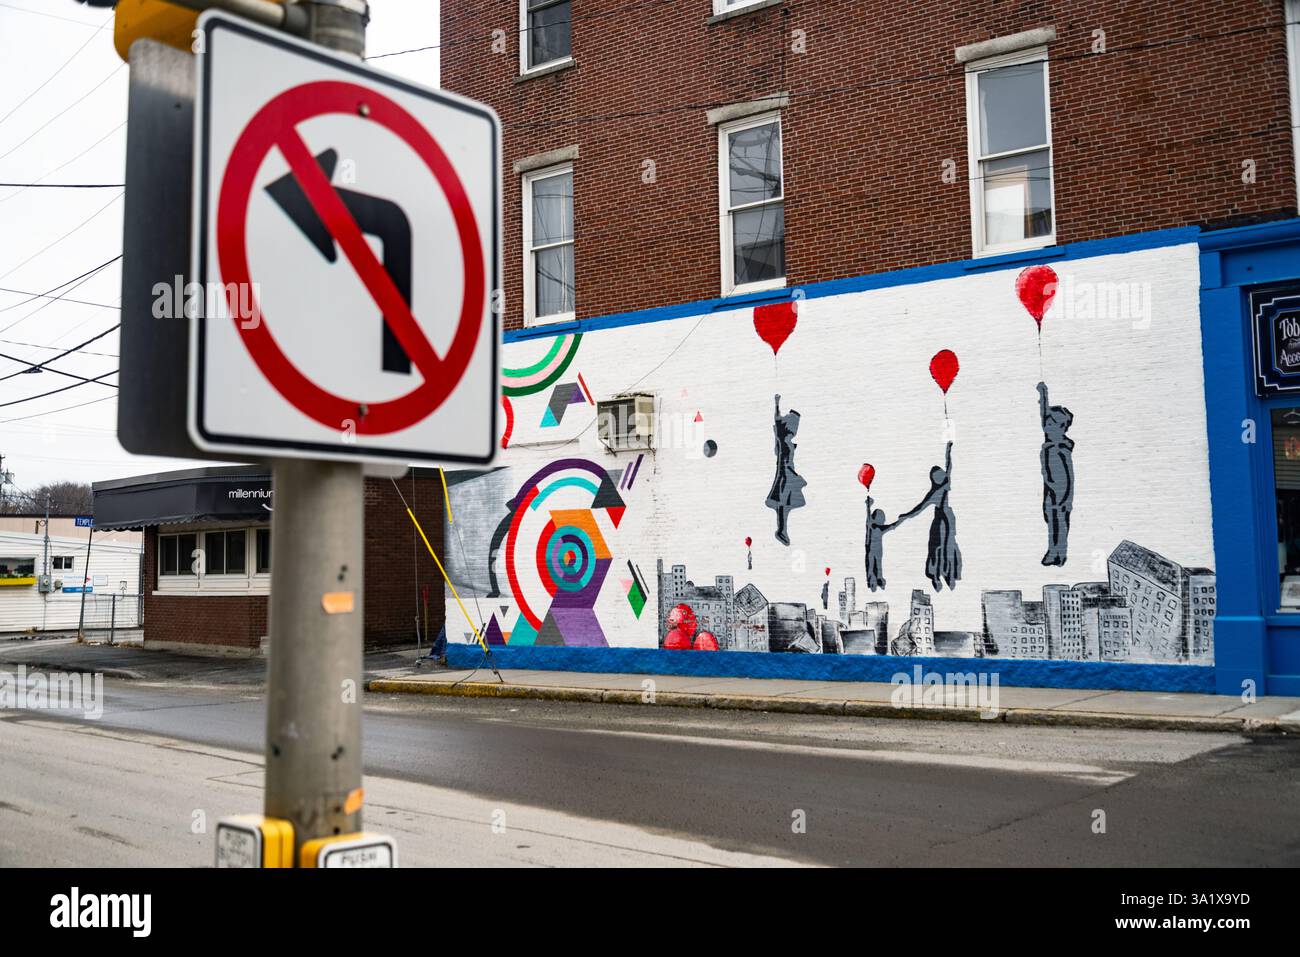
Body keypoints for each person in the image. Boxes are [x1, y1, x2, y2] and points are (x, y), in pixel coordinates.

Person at [894, 442, 962, 591]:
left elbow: (949, 465)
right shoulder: (939, 490)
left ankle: (942, 575)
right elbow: (919, 508)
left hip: (945, 521)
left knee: (941, 548)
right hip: (944, 522)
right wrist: (905, 515)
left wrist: (948, 450)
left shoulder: (940, 488)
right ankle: (942, 575)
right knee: (941, 548)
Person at [1038, 381, 1075, 566]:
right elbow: (1043, 415)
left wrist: (1064, 499)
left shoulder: (1060, 448)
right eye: (1047, 423)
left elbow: (1068, 477)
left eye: (1051, 423)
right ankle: (1055, 553)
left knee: (1059, 526)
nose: (1046, 425)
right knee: (1051, 522)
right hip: (1050, 491)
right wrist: (1043, 394)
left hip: (1059, 493)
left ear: (1061, 427)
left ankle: (1057, 554)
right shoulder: (1050, 441)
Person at [766, 394, 808, 545]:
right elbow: (777, 419)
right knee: (783, 503)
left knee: (784, 504)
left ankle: (782, 530)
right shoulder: (782, 437)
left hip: (787, 474)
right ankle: (782, 530)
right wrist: (777, 403)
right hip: (785, 475)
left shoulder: (787, 440)